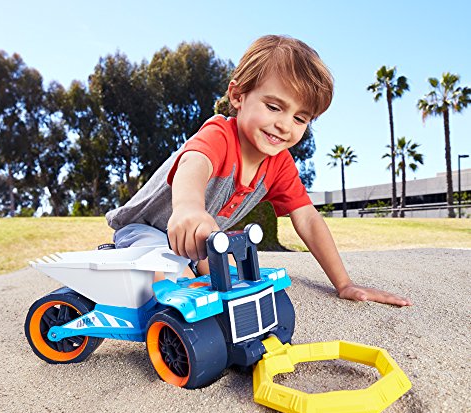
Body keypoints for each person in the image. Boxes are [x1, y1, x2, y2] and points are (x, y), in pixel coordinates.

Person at [106, 35, 412, 307]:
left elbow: (307, 218)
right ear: (238, 96)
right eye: (274, 107)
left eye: (300, 118)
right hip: (145, 232)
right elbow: (193, 165)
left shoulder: (279, 163)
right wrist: (188, 208)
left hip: (198, 243)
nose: (284, 125)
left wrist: (343, 283)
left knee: (229, 279)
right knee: (172, 277)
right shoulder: (219, 134)